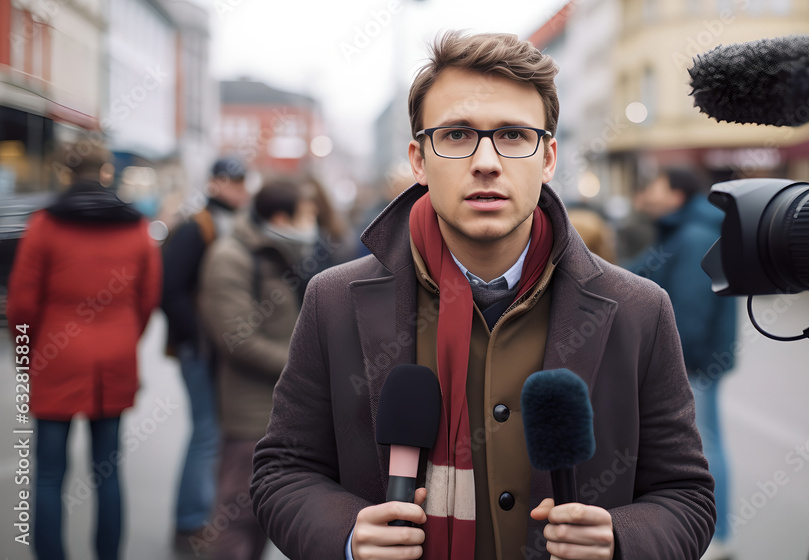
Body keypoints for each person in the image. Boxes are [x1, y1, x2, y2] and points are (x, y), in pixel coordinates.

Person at [251, 32, 715, 560]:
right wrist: (350, 536)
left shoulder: (639, 309)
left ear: (548, 159)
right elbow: (282, 472)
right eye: (456, 135)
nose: (487, 162)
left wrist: (620, 539)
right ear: (419, 160)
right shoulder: (333, 300)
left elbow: (687, 497)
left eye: (515, 135)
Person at [7, 140, 162, 560]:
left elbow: (21, 303)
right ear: (107, 173)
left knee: (48, 474)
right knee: (107, 470)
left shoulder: (44, 226)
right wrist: (126, 339)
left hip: (55, 357)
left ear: (64, 174)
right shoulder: (136, 228)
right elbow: (148, 299)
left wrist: (26, 356)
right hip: (113, 359)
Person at [195, 179, 318, 559]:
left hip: (283, 408)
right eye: (307, 214)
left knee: (266, 513)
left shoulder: (282, 252)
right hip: (250, 412)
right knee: (237, 516)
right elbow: (238, 339)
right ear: (281, 217)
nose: (312, 223)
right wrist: (307, 366)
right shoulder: (231, 256)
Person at [627, 166, 737, 560]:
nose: (646, 194)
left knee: (702, 448)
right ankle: (719, 533)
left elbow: (690, 310)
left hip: (693, 361)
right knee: (708, 442)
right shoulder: (683, 231)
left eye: (654, 185)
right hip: (700, 358)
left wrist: (676, 364)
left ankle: (716, 536)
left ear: (676, 193)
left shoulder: (693, 236)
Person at [160, 156, 250, 551]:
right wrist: (194, 336)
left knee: (213, 432)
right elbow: (170, 287)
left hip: (210, 346)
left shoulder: (227, 221)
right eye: (232, 181)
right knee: (208, 433)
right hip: (199, 347)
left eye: (243, 181)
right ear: (215, 183)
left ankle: (199, 517)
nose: (240, 188)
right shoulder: (198, 226)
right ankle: (190, 522)